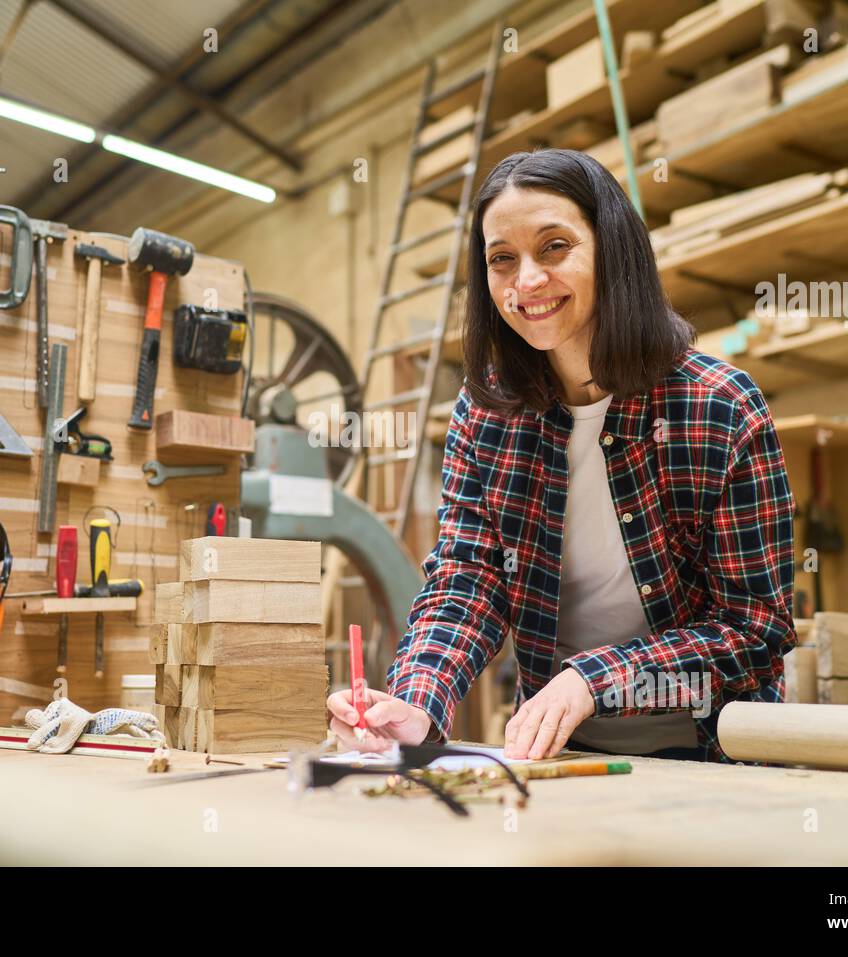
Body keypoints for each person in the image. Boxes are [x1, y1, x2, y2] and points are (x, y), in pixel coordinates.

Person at [327, 148, 797, 762]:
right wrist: (416, 705)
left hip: (717, 756)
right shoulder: (486, 411)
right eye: (502, 260)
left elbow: (755, 629)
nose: (527, 281)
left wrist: (594, 679)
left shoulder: (720, 407)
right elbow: (468, 582)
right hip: (564, 758)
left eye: (554, 247)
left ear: (612, 251)